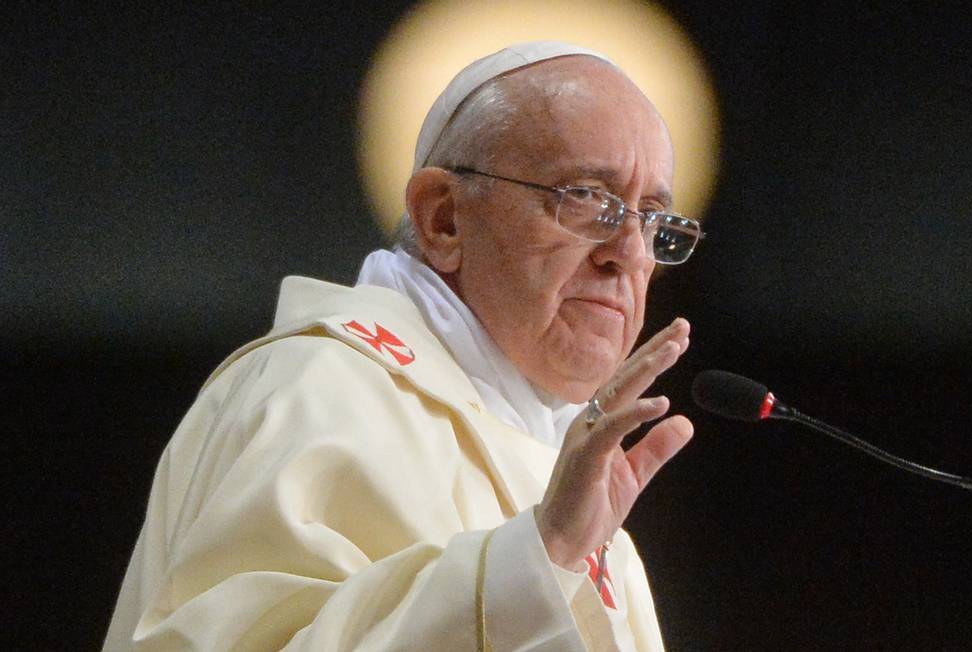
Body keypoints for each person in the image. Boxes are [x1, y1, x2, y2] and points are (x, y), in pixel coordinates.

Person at [104, 41, 704, 651]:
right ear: (443, 218)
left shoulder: (578, 489)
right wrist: (533, 562)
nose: (628, 254)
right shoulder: (321, 389)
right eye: (585, 200)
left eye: (652, 218)